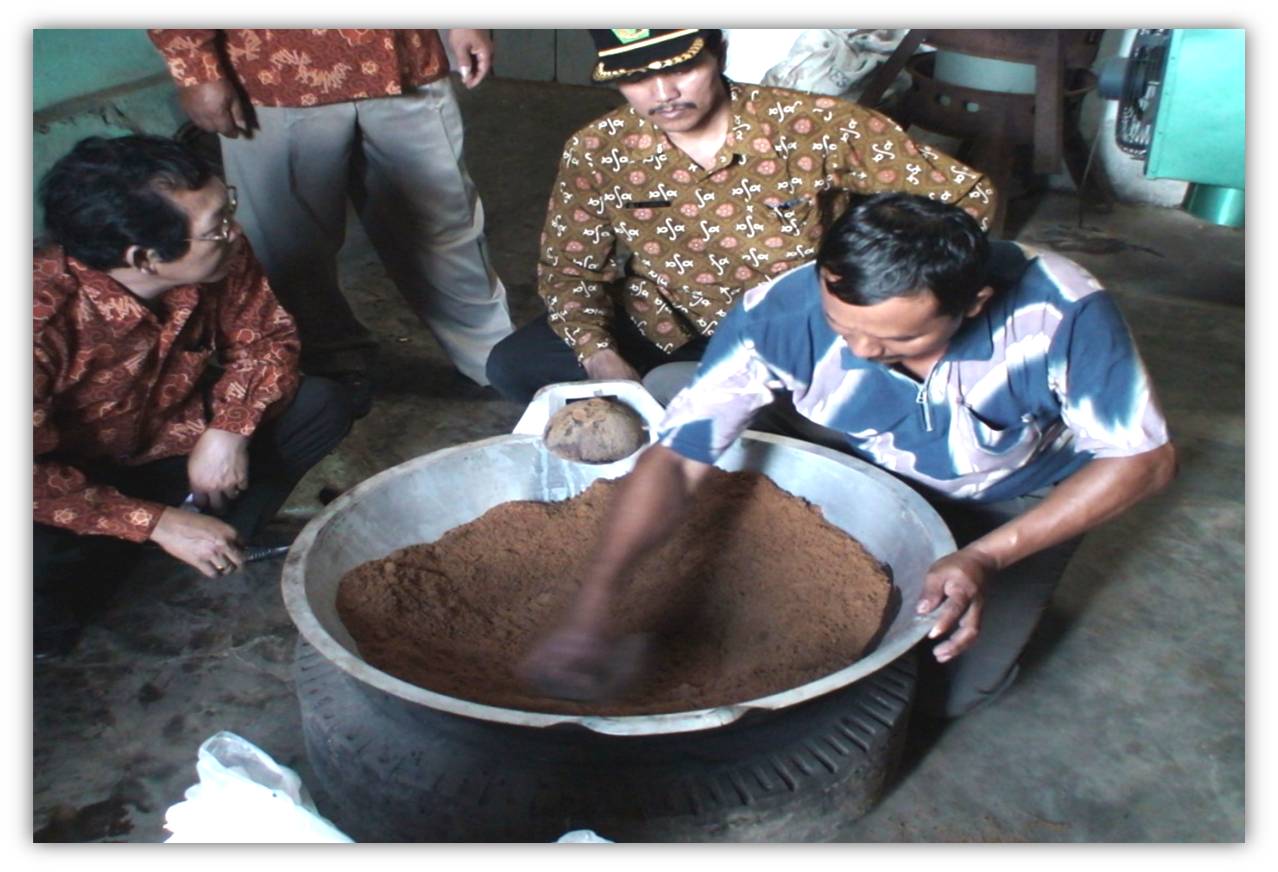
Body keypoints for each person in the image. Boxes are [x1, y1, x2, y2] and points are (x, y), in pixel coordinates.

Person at [522, 192, 1177, 718]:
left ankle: (1022, 579)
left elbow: (1143, 460)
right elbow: (677, 457)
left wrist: (988, 556)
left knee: (950, 693)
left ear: (973, 303)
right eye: (844, 328)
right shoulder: (783, 310)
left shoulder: (1061, 314)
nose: (861, 350)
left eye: (897, 337)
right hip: (856, 439)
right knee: (674, 396)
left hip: (1007, 490)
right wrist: (594, 604)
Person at [486, 28, 998, 404]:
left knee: (832, 410)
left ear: (719, 53)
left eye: (683, 68)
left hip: (792, 325)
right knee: (515, 366)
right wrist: (600, 357)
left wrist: (890, 300)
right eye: (638, 78)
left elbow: (966, 194)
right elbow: (569, 271)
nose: (663, 94)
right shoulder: (598, 149)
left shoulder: (814, 125)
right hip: (664, 318)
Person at [34, 135, 353, 656]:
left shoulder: (217, 253)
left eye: (227, 210)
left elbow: (269, 339)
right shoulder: (37, 319)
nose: (235, 230)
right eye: (217, 227)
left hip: (168, 440)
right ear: (145, 258)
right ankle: (141, 548)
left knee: (320, 403)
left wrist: (229, 430)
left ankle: (204, 531)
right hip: (66, 483)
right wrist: (150, 522)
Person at [148, 28, 514, 415]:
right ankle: (331, 357)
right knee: (288, 243)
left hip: (407, 56)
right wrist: (195, 67)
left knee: (444, 221)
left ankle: (494, 357)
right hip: (272, 67)